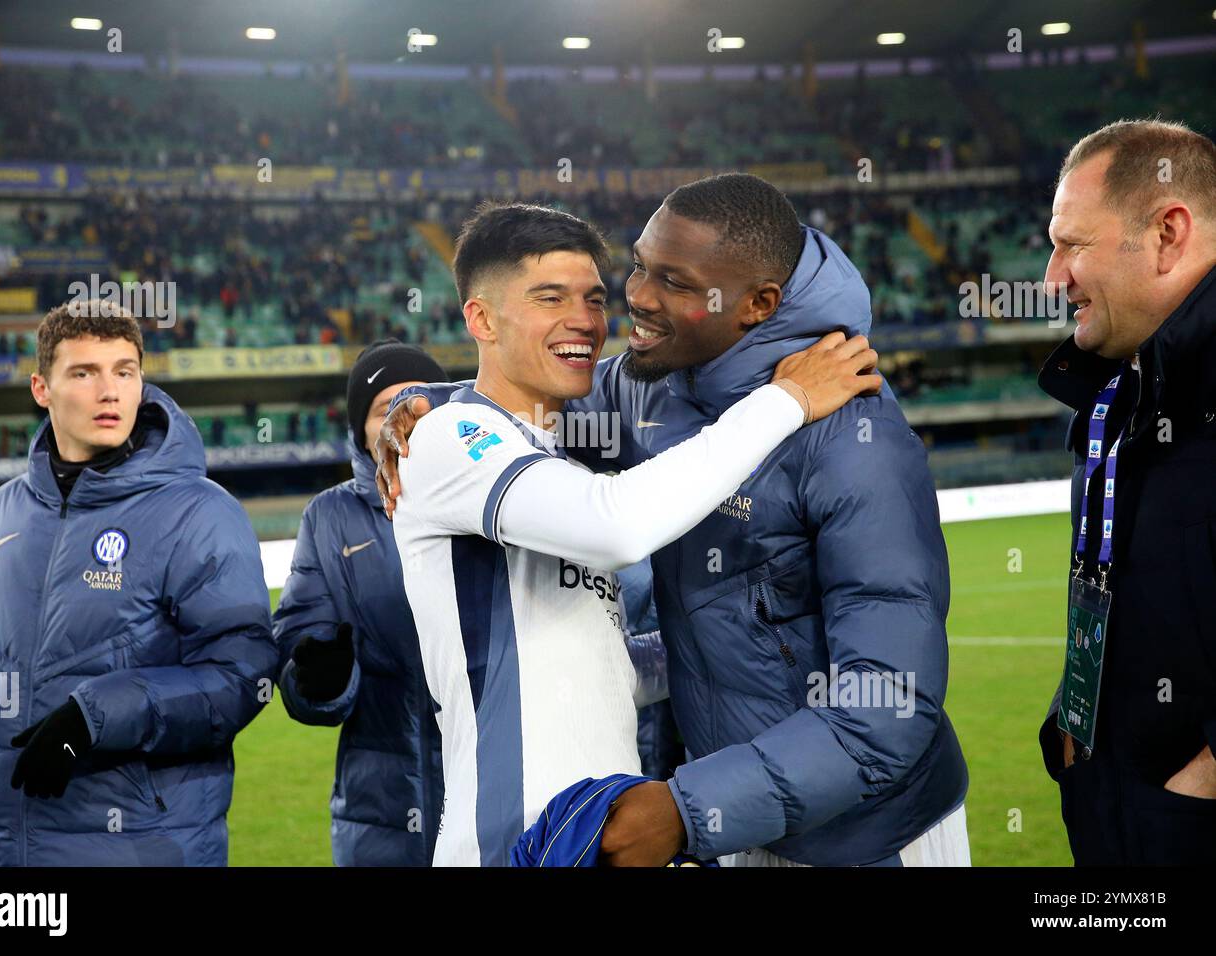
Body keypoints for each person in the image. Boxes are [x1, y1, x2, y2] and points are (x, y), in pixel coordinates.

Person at [380, 175, 969, 867]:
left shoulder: (853, 439)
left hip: (866, 834)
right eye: (639, 266)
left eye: (676, 283)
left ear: (757, 304)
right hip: (731, 821)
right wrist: (429, 402)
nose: (639, 297)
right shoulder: (650, 383)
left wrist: (688, 810)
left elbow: (885, 711)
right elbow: (525, 396)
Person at [0, 301, 277, 866]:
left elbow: (242, 676)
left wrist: (96, 716)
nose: (110, 391)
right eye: (84, 373)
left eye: (125, 371)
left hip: (139, 849)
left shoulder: (200, 512)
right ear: (42, 388)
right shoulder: (1, 514)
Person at [1036, 119, 1216, 865]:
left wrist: (1204, 776)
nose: (1052, 277)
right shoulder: (1118, 396)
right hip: (1110, 802)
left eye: (1072, 244)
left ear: (1168, 235)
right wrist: (1075, 728)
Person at [271, 339, 448, 866]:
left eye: (416, 400)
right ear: (359, 431)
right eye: (381, 408)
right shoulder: (329, 519)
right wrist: (320, 680)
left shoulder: (498, 500)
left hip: (501, 801)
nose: (401, 416)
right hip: (381, 816)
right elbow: (299, 645)